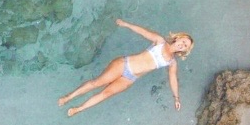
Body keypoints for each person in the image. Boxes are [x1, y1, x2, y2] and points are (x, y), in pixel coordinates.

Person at [58, 19, 194, 117]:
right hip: (123, 64)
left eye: (186, 46)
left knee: (106, 94)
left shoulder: (172, 62)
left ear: (185, 50)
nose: (183, 45)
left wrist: (176, 98)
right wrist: (126, 24)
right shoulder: (160, 41)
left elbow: (173, 79)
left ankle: (79, 108)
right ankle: (68, 97)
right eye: (183, 41)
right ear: (178, 38)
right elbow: (143, 32)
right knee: (97, 83)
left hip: (130, 78)